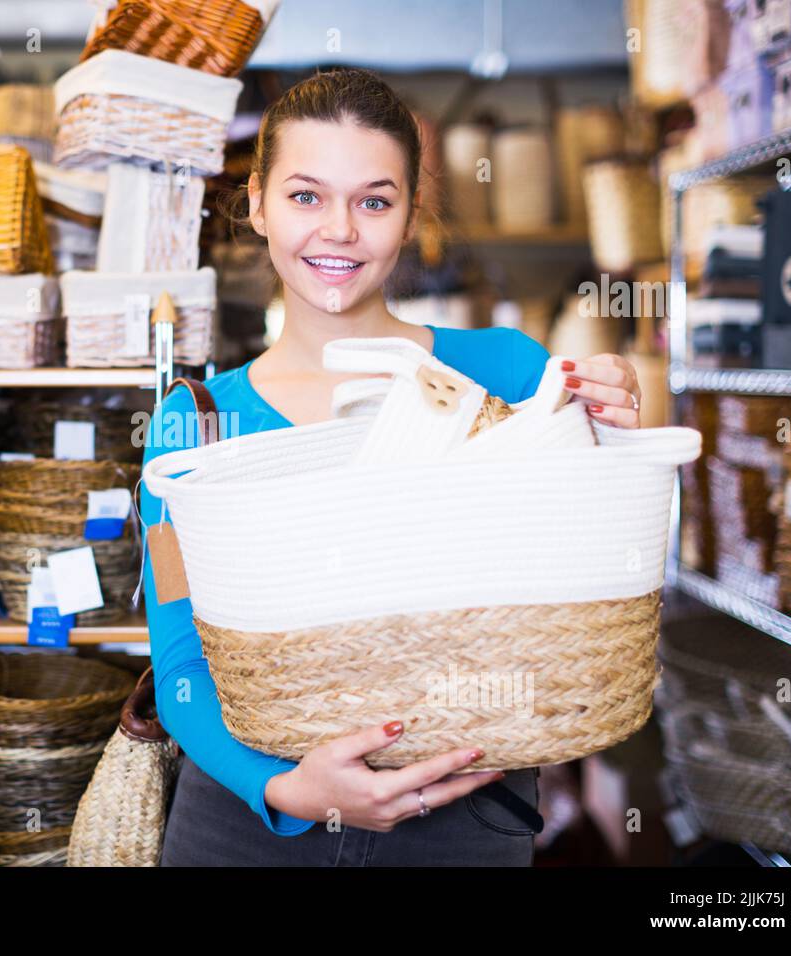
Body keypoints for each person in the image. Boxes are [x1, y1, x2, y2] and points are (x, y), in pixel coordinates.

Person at [138, 68, 643, 867]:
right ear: (257, 204)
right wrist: (286, 790)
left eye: (374, 200)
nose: (339, 229)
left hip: (463, 816)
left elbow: (580, 581)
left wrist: (611, 435)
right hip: (247, 825)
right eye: (306, 196)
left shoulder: (507, 373)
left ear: (409, 218)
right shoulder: (193, 425)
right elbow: (181, 663)